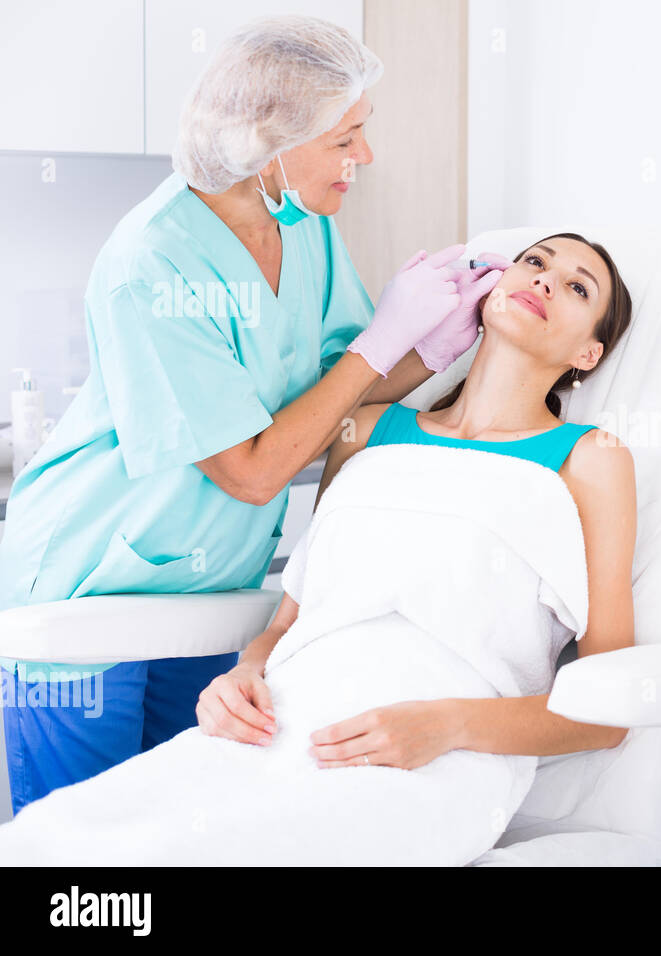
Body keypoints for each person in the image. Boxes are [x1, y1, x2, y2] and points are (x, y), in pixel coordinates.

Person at [0, 234, 640, 866]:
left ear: (589, 352)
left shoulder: (591, 462)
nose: (546, 279)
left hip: (435, 759)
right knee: (61, 837)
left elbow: (609, 713)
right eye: (534, 261)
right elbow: (290, 620)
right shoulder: (365, 429)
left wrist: (447, 725)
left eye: (577, 286)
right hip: (282, 725)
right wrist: (244, 674)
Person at [0, 15, 501, 814]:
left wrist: (443, 342)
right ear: (268, 141)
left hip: (205, 591)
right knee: (83, 840)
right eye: (345, 139)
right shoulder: (151, 264)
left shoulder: (304, 230)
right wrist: (384, 343)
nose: (363, 157)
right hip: (84, 592)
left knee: (183, 824)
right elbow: (253, 470)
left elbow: (340, 386)